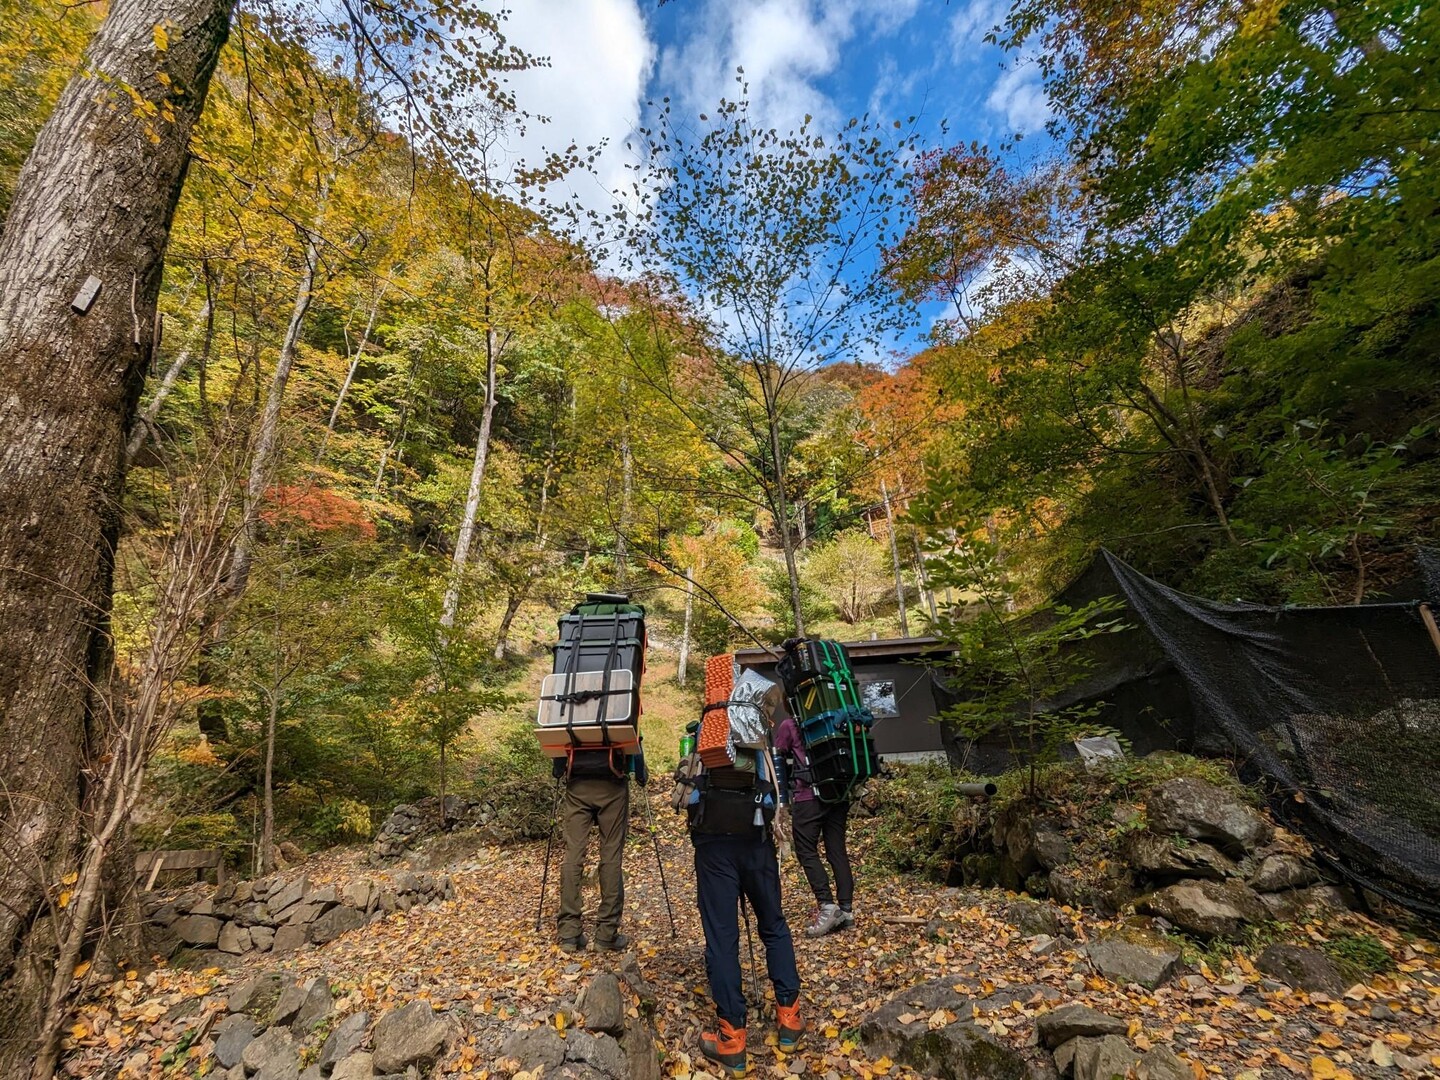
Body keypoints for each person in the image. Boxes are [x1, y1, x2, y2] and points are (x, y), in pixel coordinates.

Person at [685, 747, 804, 1076]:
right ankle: (789, 1020)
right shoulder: (756, 738)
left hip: (713, 848)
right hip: (756, 842)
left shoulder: (704, 735)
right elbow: (776, 790)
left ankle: (733, 1041)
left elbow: (687, 790)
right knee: (774, 926)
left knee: (722, 938)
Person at [555, 741, 647, 953]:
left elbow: (558, 742)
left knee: (573, 855)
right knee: (611, 855)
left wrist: (559, 768)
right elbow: (635, 738)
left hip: (577, 785)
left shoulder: (569, 707)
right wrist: (641, 773)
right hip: (612, 784)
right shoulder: (622, 707)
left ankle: (569, 933)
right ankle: (606, 935)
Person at [773, 711, 855, 937]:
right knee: (837, 850)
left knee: (806, 850)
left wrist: (782, 801)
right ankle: (846, 911)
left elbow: (778, 755)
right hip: (839, 793)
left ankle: (827, 906)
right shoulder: (835, 718)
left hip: (809, 796)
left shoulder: (790, 724)